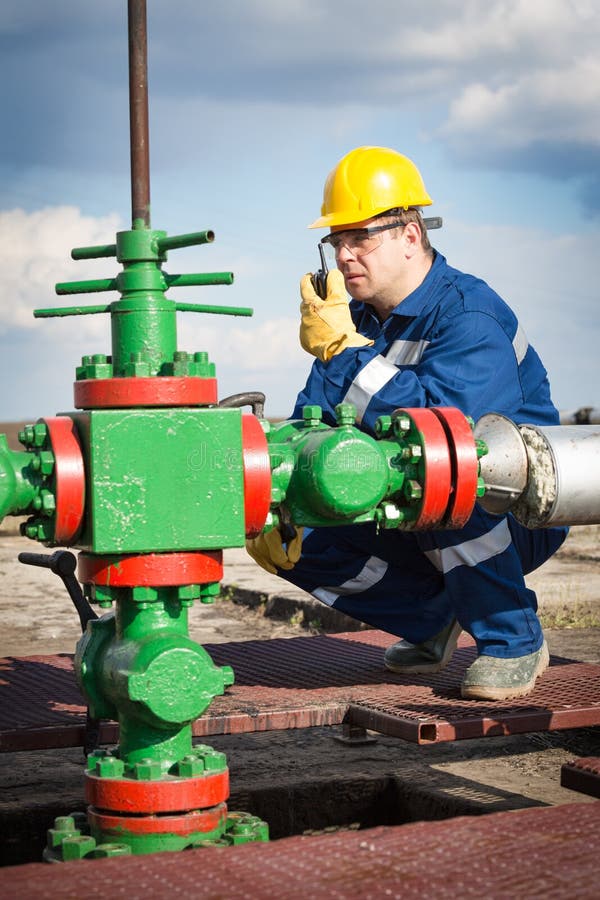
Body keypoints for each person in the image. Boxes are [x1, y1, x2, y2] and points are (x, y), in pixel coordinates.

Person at [247, 145, 568, 701]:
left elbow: (445, 430)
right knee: (294, 524)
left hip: (513, 506)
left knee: (443, 474)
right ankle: (430, 620)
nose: (345, 256)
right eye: (336, 241)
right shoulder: (357, 324)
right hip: (419, 503)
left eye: (360, 237)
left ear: (410, 235)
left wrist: (344, 352)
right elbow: (312, 423)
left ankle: (514, 638)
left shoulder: (468, 313)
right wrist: (277, 489)